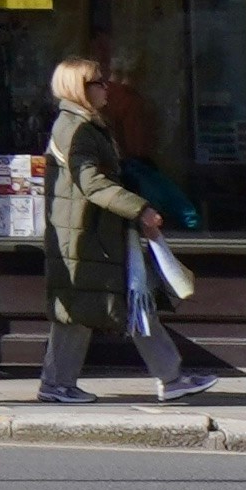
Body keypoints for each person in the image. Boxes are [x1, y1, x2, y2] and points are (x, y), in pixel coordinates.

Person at [36, 51, 205, 402]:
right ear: (79, 88)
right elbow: (92, 183)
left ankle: (170, 377)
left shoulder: (84, 124)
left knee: (134, 299)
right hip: (85, 236)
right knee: (77, 311)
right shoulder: (75, 128)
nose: (107, 87)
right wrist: (139, 209)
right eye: (99, 82)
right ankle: (56, 384)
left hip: (95, 233)